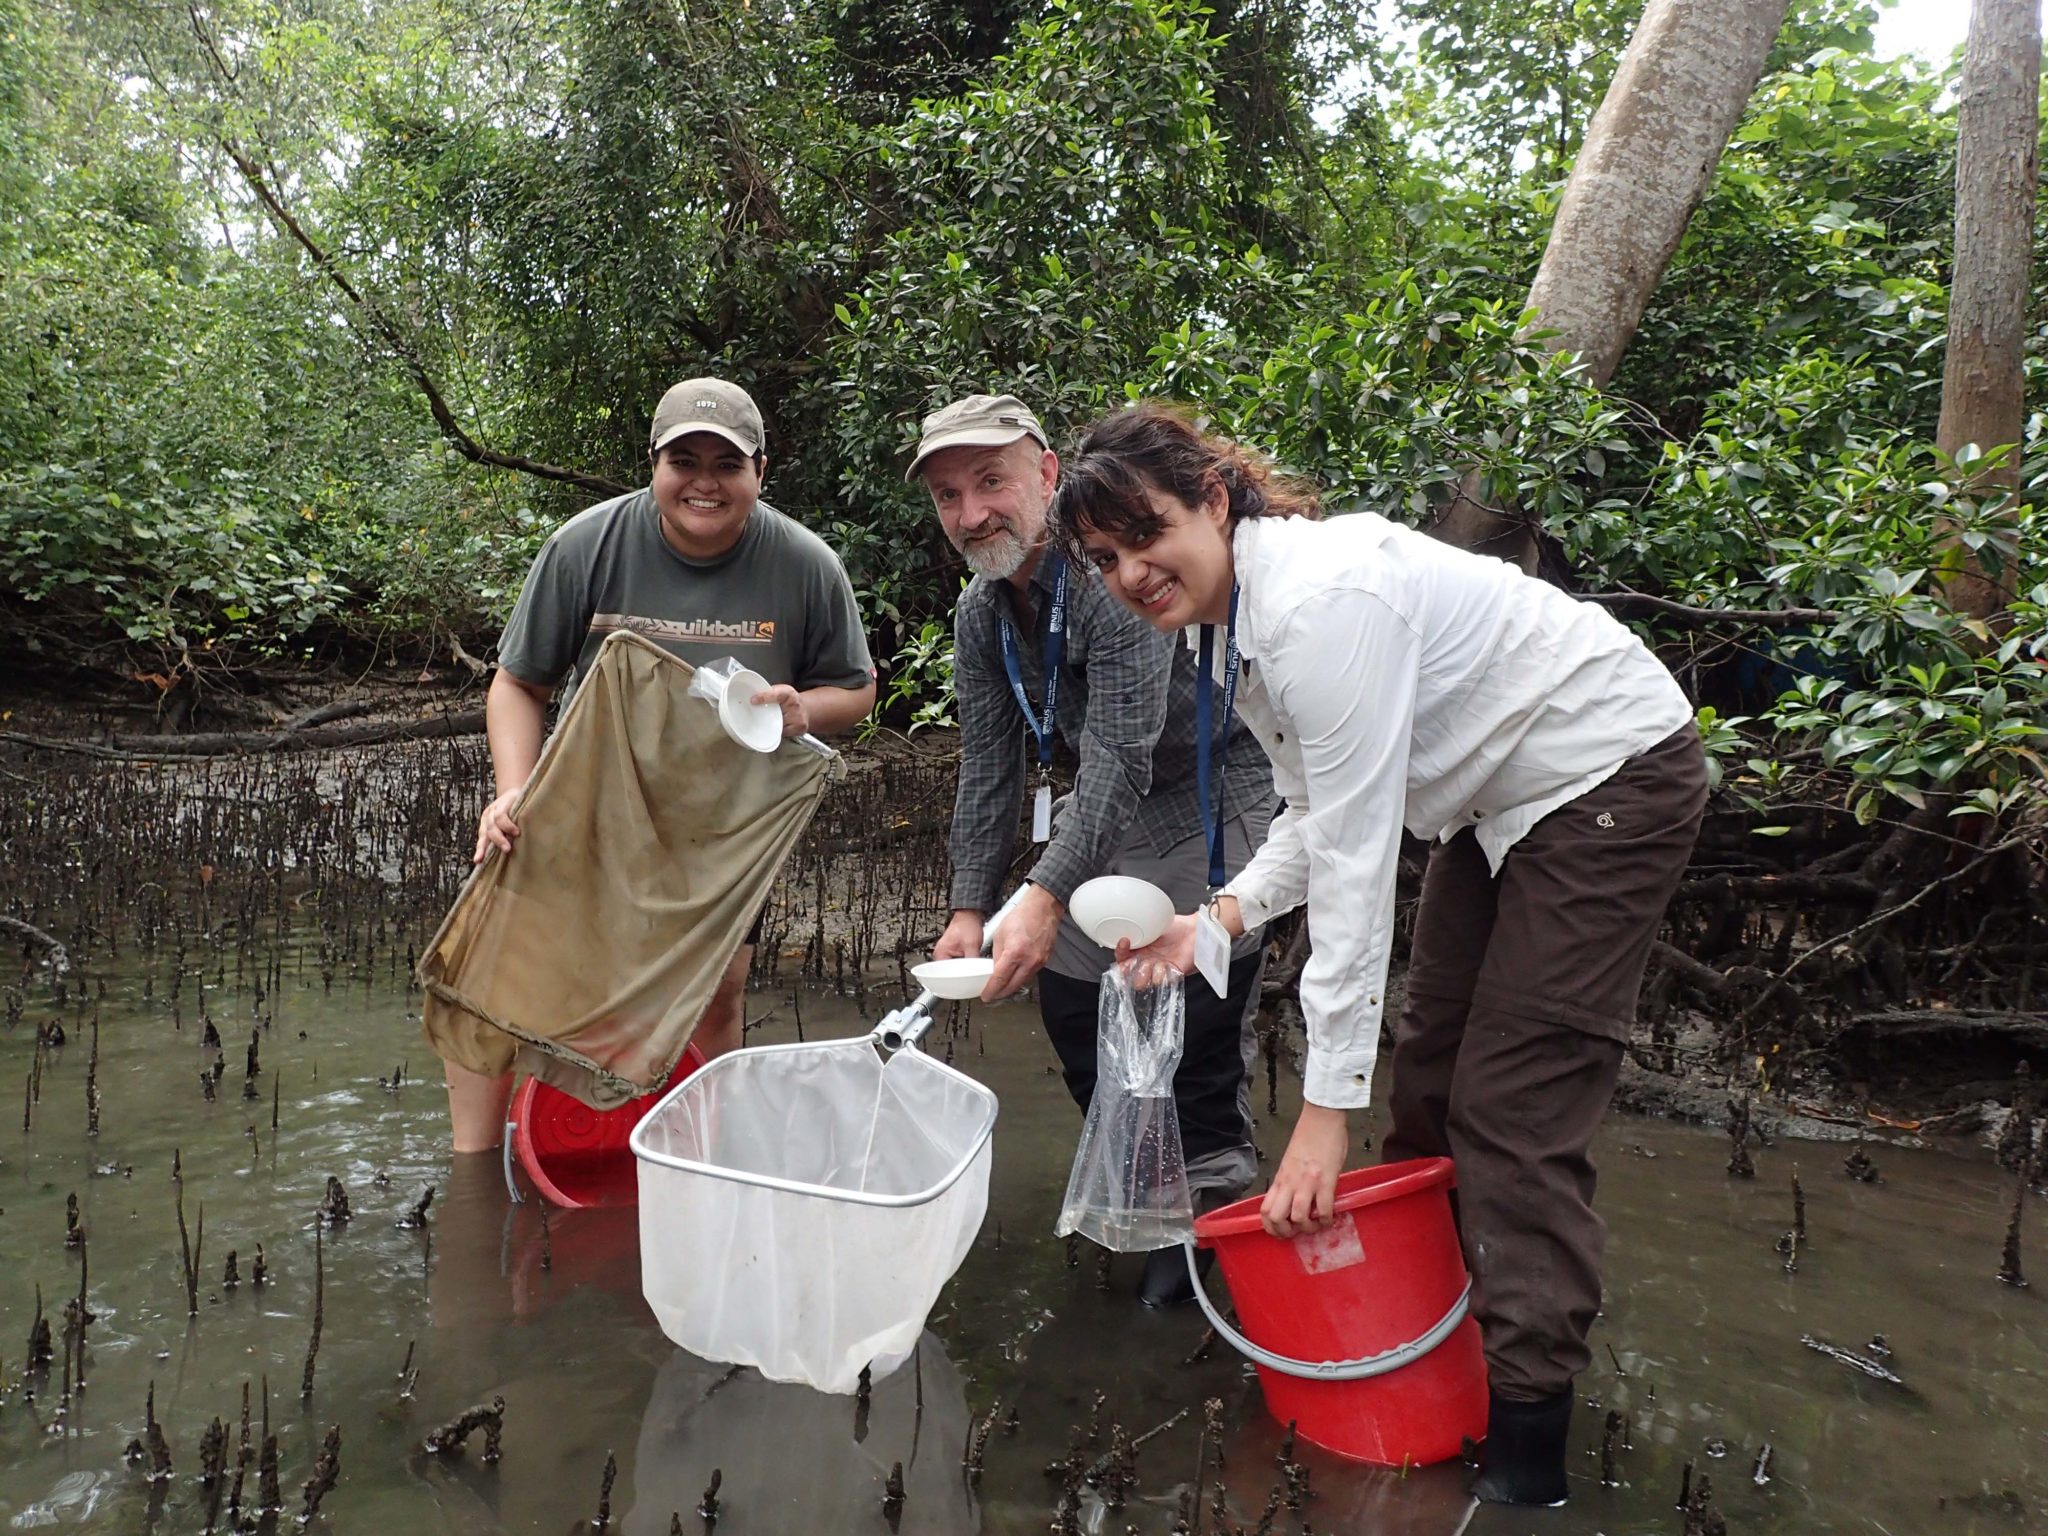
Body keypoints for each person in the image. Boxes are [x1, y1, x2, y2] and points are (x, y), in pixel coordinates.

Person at [1049, 402, 1706, 1506]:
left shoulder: (1313, 606)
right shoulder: (1228, 626)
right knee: (1434, 1082)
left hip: (1606, 770)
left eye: (1145, 535)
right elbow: (1309, 814)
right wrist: (1210, 922)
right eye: (1104, 560)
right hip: (1492, 801)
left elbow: (1356, 871)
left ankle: (1525, 1460)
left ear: (1212, 499)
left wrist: (1319, 1113)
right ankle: (1439, 1359)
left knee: (1510, 1109)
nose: (1130, 575)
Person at [911, 393, 1276, 1307]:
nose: (972, 514)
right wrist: (968, 907)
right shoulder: (980, 617)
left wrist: (1039, 893)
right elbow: (990, 769)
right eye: (949, 496)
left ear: (1045, 475)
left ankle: (1214, 1207)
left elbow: (1118, 748)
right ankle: (1152, 1188)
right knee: (1078, 1003)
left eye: (991, 482)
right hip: (1116, 812)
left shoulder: (1106, 577)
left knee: (1181, 1010)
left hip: (1213, 787)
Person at [449, 377, 876, 1152]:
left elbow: (857, 689)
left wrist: (802, 711)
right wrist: (513, 792)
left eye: (728, 463)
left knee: (715, 996)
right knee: (500, 975)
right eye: (685, 460)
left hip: (722, 827)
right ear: (653, 464)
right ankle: (476, 1174)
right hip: (582, 801)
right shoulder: (586, 545)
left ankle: (697, 1158)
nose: (705, 482)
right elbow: (519, 683)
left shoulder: (805, 563)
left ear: (761, 472)